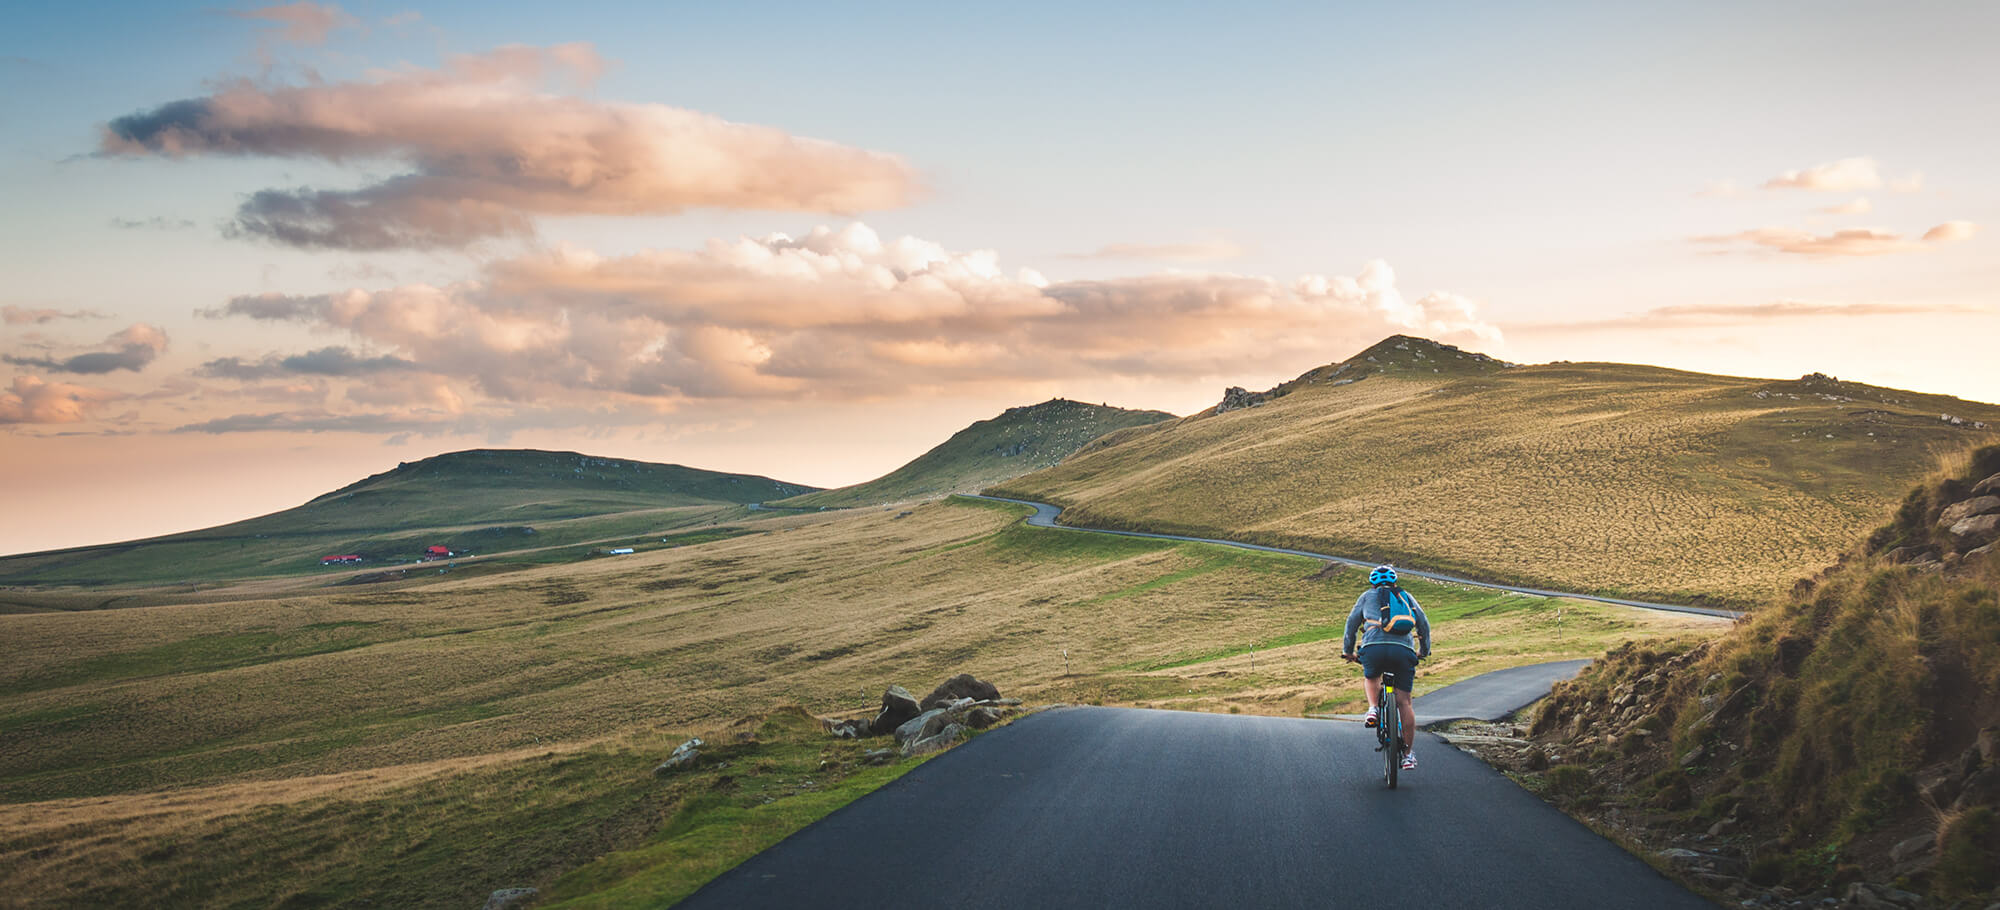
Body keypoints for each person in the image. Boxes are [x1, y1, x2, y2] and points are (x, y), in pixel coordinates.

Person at [1341, 565, 1431, 770]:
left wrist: (1348, 651)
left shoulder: (1366, 596)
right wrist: (1424, 651)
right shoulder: (1406, 596)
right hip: (1403, 651)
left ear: (1372, 583)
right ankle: (1407, 755)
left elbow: (1351, 624)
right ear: (1395, 582)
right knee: (1405, 703)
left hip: (1374, 648)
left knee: (1372, 676)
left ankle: (1373, 708)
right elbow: (1423, 624)